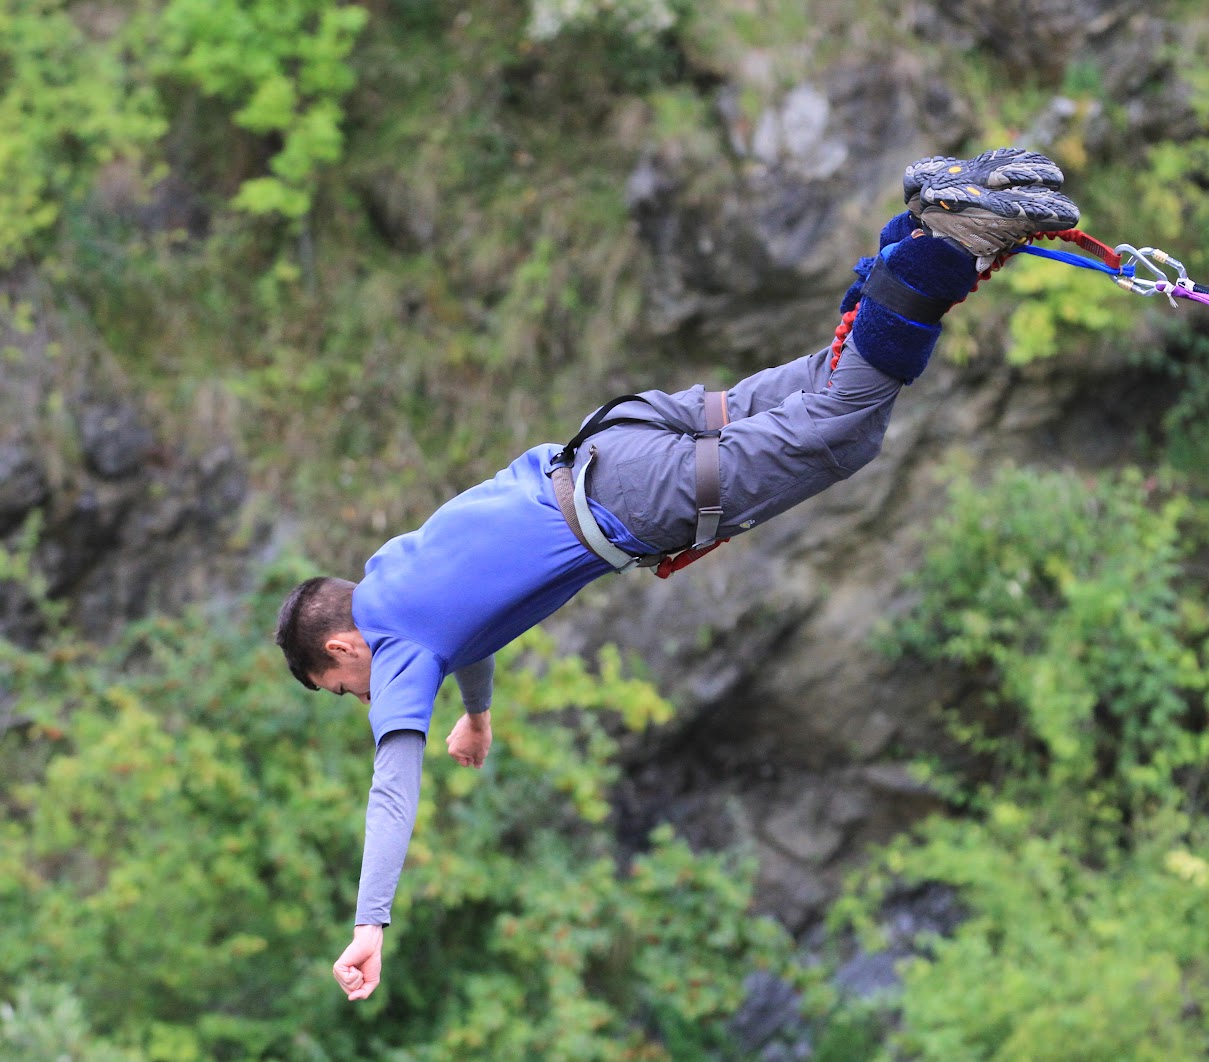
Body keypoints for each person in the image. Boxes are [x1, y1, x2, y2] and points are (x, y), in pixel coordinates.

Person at [272, 149, 1079, 1001]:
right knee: (821, 383)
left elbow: (390, 792)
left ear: (341, 645)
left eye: (343, 686)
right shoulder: (393, 574)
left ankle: (947, 241)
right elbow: (473, 621)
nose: (364, 700)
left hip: (636, 497)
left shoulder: (396, 649)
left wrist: (370, 924)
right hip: (612, 440)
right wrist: (476, 713)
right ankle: (922, 226)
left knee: (843, 426)